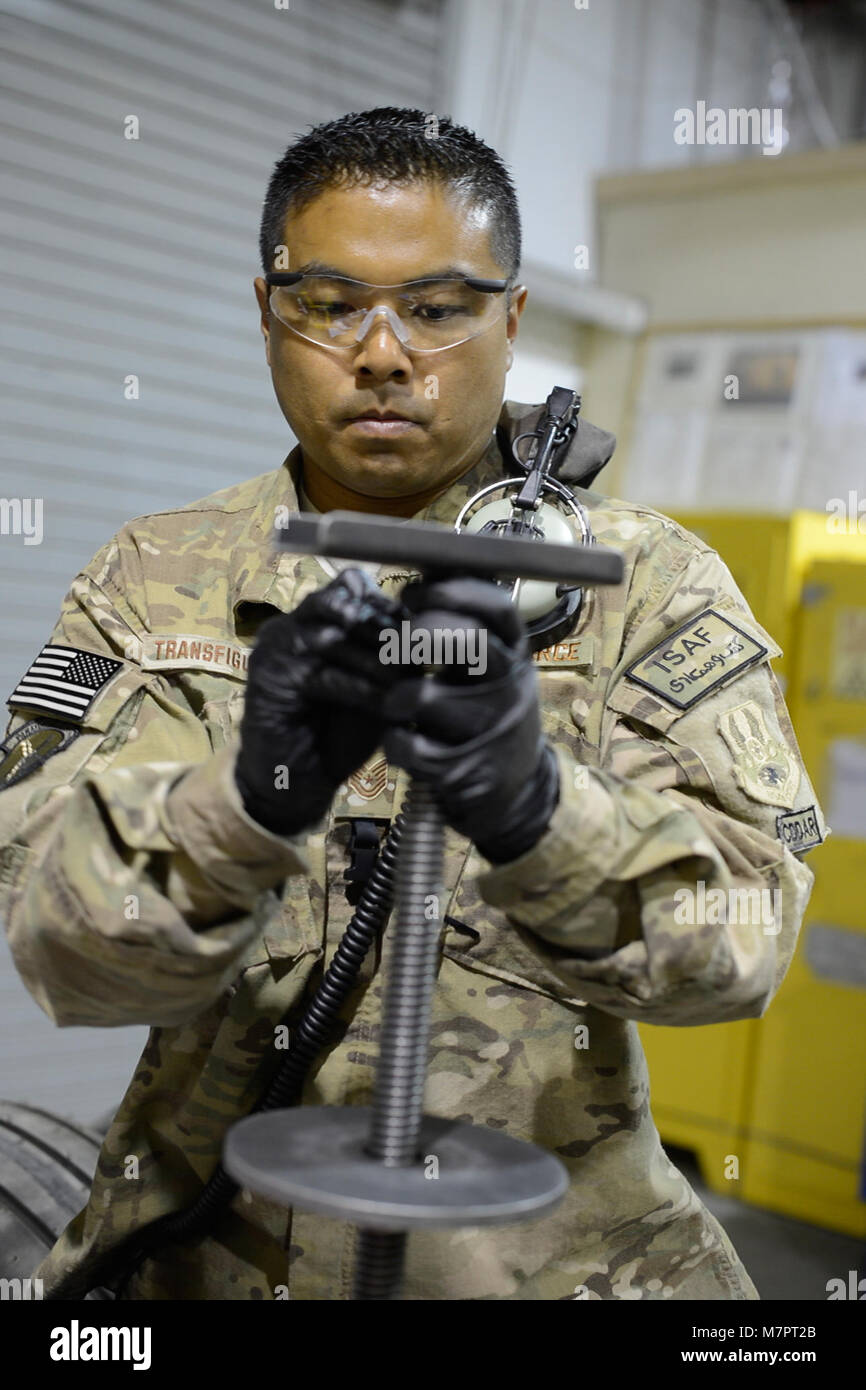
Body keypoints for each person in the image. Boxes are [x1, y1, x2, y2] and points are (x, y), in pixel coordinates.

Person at [0, 107, 825, 1301]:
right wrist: (244, 803)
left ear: (512, 319)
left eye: (436, 309)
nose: (382, 352)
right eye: (330, 304)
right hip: (204, 1246)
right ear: (267, 313)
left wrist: (540, 811)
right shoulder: (158, 574)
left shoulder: (647, 581)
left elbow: (738, 946)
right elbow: (64, 953)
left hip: (550, 1261)